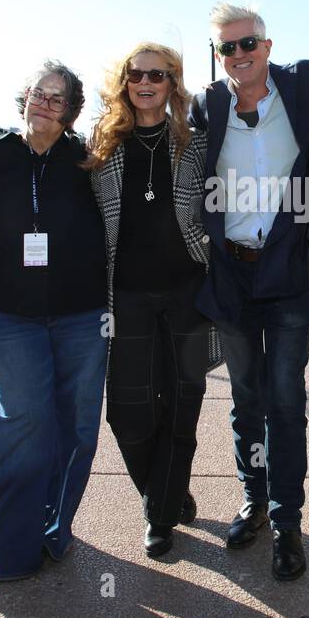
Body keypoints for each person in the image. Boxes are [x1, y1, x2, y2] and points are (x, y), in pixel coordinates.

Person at [189, 3, 309, 581]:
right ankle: (253, 499)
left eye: (247, 43)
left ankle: (288, 519)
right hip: (233, 275)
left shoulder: (304, 87)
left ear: (266, 45)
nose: (238, 55)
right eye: (226, 47)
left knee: (286, 400)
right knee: (245, 397)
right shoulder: (210, 104)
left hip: (287, 274)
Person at [0, 61, 108, 581]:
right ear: (24, 97)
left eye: (58, 98)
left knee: (76, 425)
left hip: (82, 316)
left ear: (71, 111)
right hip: (12, 317)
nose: (44, 104)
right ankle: (14, 547)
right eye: (38, 94)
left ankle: (57, 523)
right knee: (23, 421)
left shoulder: (89, 160)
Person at [86, 43, 214, 559]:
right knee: (127, 409)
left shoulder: (197, 142)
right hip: (127, 295)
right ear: (124, 82)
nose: (145, 82)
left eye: (156, 75)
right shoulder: (102, 142)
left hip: (187, 291)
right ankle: (163, 487)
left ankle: (159, 512)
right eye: (135, 74)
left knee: (183, 401)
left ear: (172, 83)